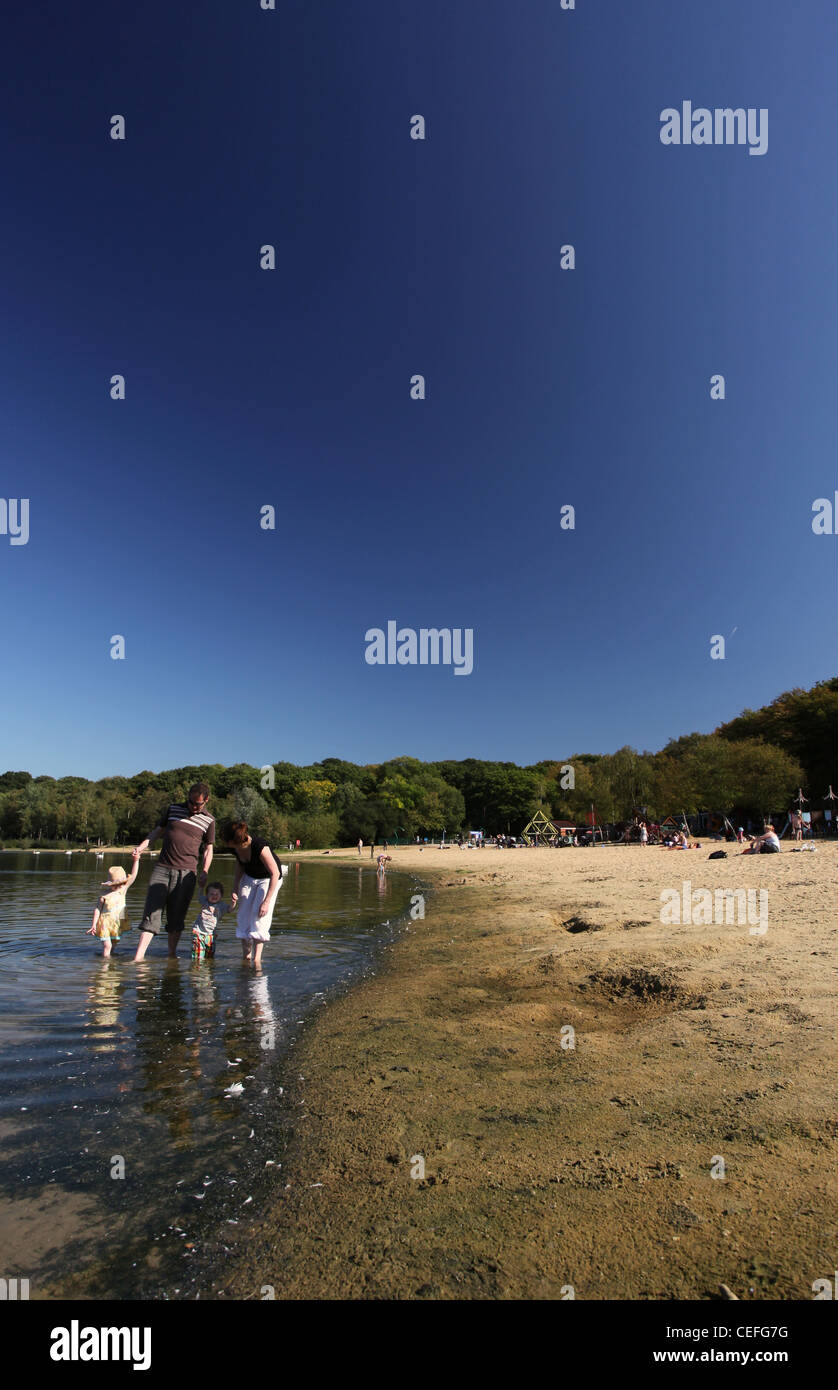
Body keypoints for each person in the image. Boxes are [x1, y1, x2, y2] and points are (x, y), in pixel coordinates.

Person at [132, 783, 215, 961]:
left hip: (187, 874)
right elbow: (157, 832)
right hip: (162, 868)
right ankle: (138, 957)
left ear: (206, 800)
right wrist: (141, 847)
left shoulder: (209, 820)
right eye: (191, 802)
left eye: (197, 804)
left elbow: (208, 849)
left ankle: (171, 954)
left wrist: (205, 871)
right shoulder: (173, 809)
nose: (193, 806)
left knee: (176, 917)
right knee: (151, 912)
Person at [224, 820, 283, 966]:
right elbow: (240, 866)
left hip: (269, 879)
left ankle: (257, 960)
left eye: (227, 840)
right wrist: (235, 887)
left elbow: (275, 873)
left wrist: (267, 901)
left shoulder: (259, 845)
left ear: (236, 840)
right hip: (250, 877)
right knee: (243, 914)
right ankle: (246, 956)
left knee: (259, 914)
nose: (225, 843)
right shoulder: (234, 848)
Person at [87, 853, 141, 957]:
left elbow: (134, 875)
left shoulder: (122, 890)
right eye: (114, 885)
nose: (117, 887)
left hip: (117, 923)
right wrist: (93, 925)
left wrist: (136, 860)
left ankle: (111, 961)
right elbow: (97, 909)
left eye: (119, 884)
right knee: (107, 946)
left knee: (113, 945)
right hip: (105, 924)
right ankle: (104, 967)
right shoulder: (104, 894)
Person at [191, 880, 230, 962]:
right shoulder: (204, 901)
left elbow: (230, 909)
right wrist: (201, 887)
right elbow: (199, 895)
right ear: (207, 895)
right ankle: (197, 970)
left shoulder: (221, 905)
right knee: (198, 958)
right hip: (199, 933)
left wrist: (234, 902)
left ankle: (208, 970)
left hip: (211, 935)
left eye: (217, 894)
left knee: (209, 958)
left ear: (221, 895)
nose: (214, 896)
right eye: (211, 894)